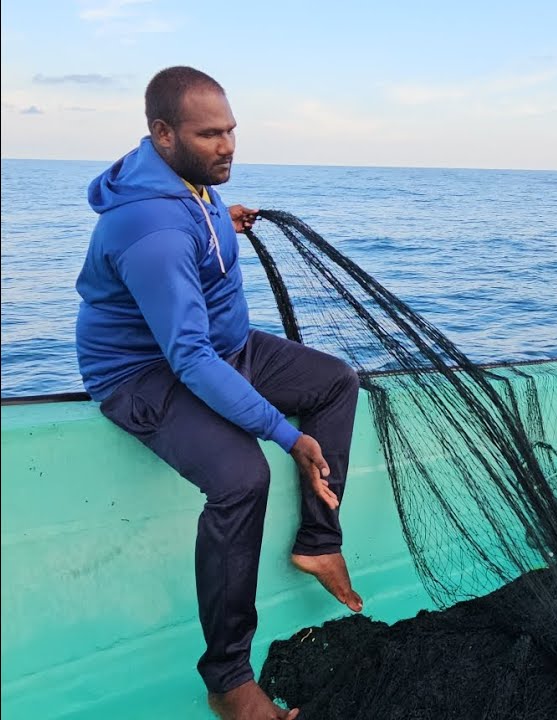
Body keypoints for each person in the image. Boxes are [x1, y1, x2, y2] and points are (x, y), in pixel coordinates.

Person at [75, 66, 363, 719]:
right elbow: (189, 357)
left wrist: (216, 220)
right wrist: (286, 436)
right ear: (163, 132)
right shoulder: (154, 231)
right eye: (210, 136)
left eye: (231, 130)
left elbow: (187, 225)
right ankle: (229, 679)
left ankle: (319, 542)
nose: (228, 146)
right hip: (146, 372)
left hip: (223, 344)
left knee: (336, 382)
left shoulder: (181, 182)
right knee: (242, 478)